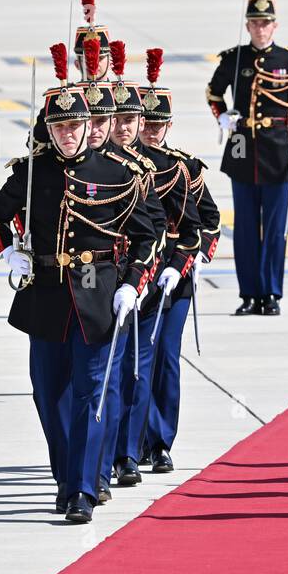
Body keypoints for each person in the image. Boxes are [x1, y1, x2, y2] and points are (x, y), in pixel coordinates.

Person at [0, 43, 158, 523]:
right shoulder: (33, 172)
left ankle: (82, 488)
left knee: (90, 389)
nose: (65, 136)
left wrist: (133, 283)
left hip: (98, 292)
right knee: (47, 389)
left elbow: (146, 234)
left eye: (73, 127)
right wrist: (7, 251)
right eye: (57, 127)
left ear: (87, 128)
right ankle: (67, 475)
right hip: (46, 291)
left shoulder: (119, 173)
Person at [111, 46, 202, 485]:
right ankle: (125, 447)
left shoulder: (180, 169)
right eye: (138, 123)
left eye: (155, 124)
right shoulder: (117, 166)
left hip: (168, 280)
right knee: (129, 365)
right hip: (129, 277)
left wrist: (179, 264)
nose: (147, 131)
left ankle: (158, 442)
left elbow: (200, 226)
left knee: (160, 360)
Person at [207, 0, 288, 315]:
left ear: (275, 25)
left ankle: (271, 294)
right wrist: (221, 115)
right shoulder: (235, 59)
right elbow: (213, 91)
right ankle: (249, 294)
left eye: (265, 23)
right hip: (242, 149)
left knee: (275, 228)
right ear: (248, 25)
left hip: (278, 150)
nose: (260, 29)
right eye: (254, 23)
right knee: (246, 229)